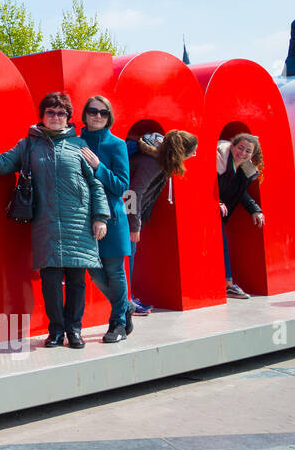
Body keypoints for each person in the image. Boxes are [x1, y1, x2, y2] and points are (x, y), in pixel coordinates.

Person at [0, 92, 110, 349]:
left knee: (76, 281)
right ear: (42, 115)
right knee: (50, 281)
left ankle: (74, 331)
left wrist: (100, 218)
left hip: (79, 223)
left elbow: (95, 185)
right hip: (45, 223)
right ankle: (55, 331)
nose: (55, 117)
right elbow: (3, 163)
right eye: (50, 112)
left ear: (68, 118)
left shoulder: (79, 146)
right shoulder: (28, 145)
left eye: (61, 113)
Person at [77, 95, 133, 343]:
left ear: (109, 117)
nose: (97, 116)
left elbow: (121, 185)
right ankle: (125, 306)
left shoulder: (117, 145)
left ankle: (118, 323)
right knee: (93, 270)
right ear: (85, 114)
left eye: (103, 112)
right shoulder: (75, 143)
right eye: (93, 111)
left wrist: (99, 166)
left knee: (114, 271)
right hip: (81, 220)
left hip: (112, 219)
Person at [125, 130, 199, 313]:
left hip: (130, 215)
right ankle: (128, 301)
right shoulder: (154, 163)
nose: (193, 155)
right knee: (129, 257)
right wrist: (133, 225)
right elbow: (133, 193)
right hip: (125, 217)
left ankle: (129, 298)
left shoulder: (160, 159)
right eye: (192, 152)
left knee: (129, 257)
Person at [217, 133, 265, 299]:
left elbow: (240, 193)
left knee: (222, 244)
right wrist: (216, 202)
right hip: (211, 213)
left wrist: (254, 209)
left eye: (248, 151)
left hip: (222, 214)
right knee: (221, 243)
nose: (243, 153)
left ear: (252, 155)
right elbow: (207, 185)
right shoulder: (220, 162)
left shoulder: (244, 170)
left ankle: (227, 284)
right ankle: (228, 285)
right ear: (232, 146)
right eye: (240, 148)